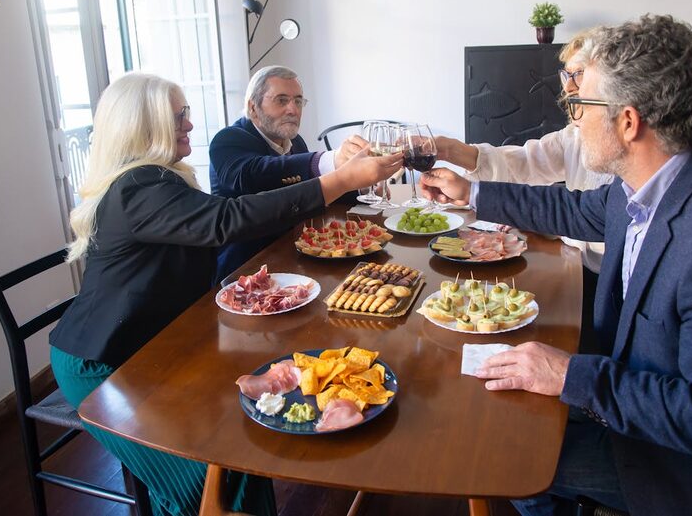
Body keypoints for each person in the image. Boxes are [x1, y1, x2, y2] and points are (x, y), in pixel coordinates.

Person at [420, 15, 692, 515]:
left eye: (580, 104)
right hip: (645, 398)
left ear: (628, 121)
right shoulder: (657, 177)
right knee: (504, 404)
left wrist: (571, 375)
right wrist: (472, 191)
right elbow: (572, 210)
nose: (573, 116)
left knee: (506, 453)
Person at [48, 72, 401, 516]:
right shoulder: (138, 188)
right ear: (144, 124)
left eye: (188, 114)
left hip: (158, 342)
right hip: (104, 361)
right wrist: (339, 179)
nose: (190, 125)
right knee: (202, 480)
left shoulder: (161, 180)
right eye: (179, 116)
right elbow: (227, 219)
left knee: (233, 456)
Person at [436, 30, 612, 353]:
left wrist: (472, 193)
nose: (569, 87)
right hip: (575, 268)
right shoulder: (572, 136)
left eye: (579, 75)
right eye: (566, 75)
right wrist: (451, 150)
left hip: (609, 284)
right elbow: (524, 162)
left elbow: (577, 212)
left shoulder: (622, 153)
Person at [209, 65, 363, 282]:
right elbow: (253, 175)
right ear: (253, 108)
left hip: (296, 254)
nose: (293, 109)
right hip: (245, 270)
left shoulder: (295, 141)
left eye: (298, 101)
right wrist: (331, 160)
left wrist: (365, 181)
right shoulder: (228, 140)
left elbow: (314, 187)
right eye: (281, 100)